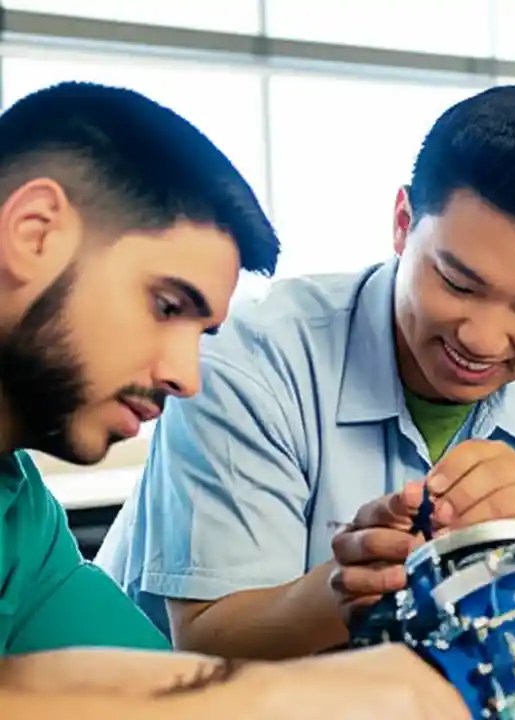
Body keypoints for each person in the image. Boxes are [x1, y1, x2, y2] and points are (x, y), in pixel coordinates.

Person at [96, 84, 515, 660]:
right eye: (457, 283)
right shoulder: (252, 358)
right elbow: (210, 639)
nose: (481, 339)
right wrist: (353, 589)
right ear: (404, 223)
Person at [0, 82, 467, 717]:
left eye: (202, 332)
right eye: (166, 306)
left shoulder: (23, 517)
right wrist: (289, 694)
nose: (187, 378)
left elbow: (145, 684)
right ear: (33, 233)